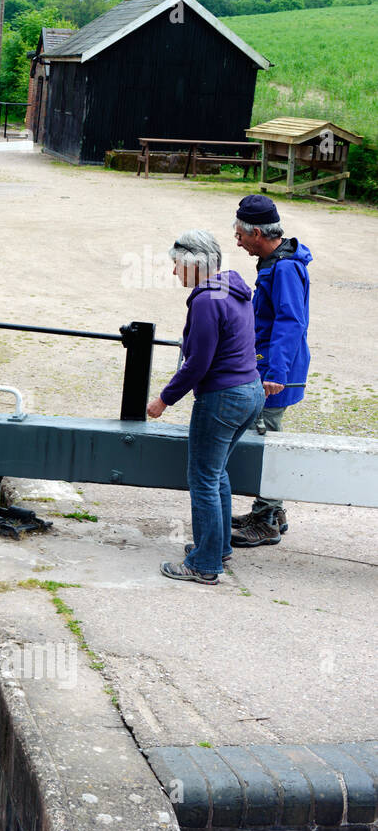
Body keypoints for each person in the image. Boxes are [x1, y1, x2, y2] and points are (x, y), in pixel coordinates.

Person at [147, 229, 263, 585]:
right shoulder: (233, 288)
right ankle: (218, 547)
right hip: (250, 391)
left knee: (203, 478)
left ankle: (206, 564)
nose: (173, 273)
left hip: (223, 398)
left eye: (176, 265)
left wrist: (163, 399)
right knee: (217, 473)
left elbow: (197, 362)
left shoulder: (206, 301)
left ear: (194, 264)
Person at [230, 194, 312, 547]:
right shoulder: (275, 263)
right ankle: (271, 510)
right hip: (269, 365)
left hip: (276, 372)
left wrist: (275, 372)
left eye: (240, 234)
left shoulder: (284, 268)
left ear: (258, 232)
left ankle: (267, 519)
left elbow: (291, 322)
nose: (237, 240)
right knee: (266, 434)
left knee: (267, 440)